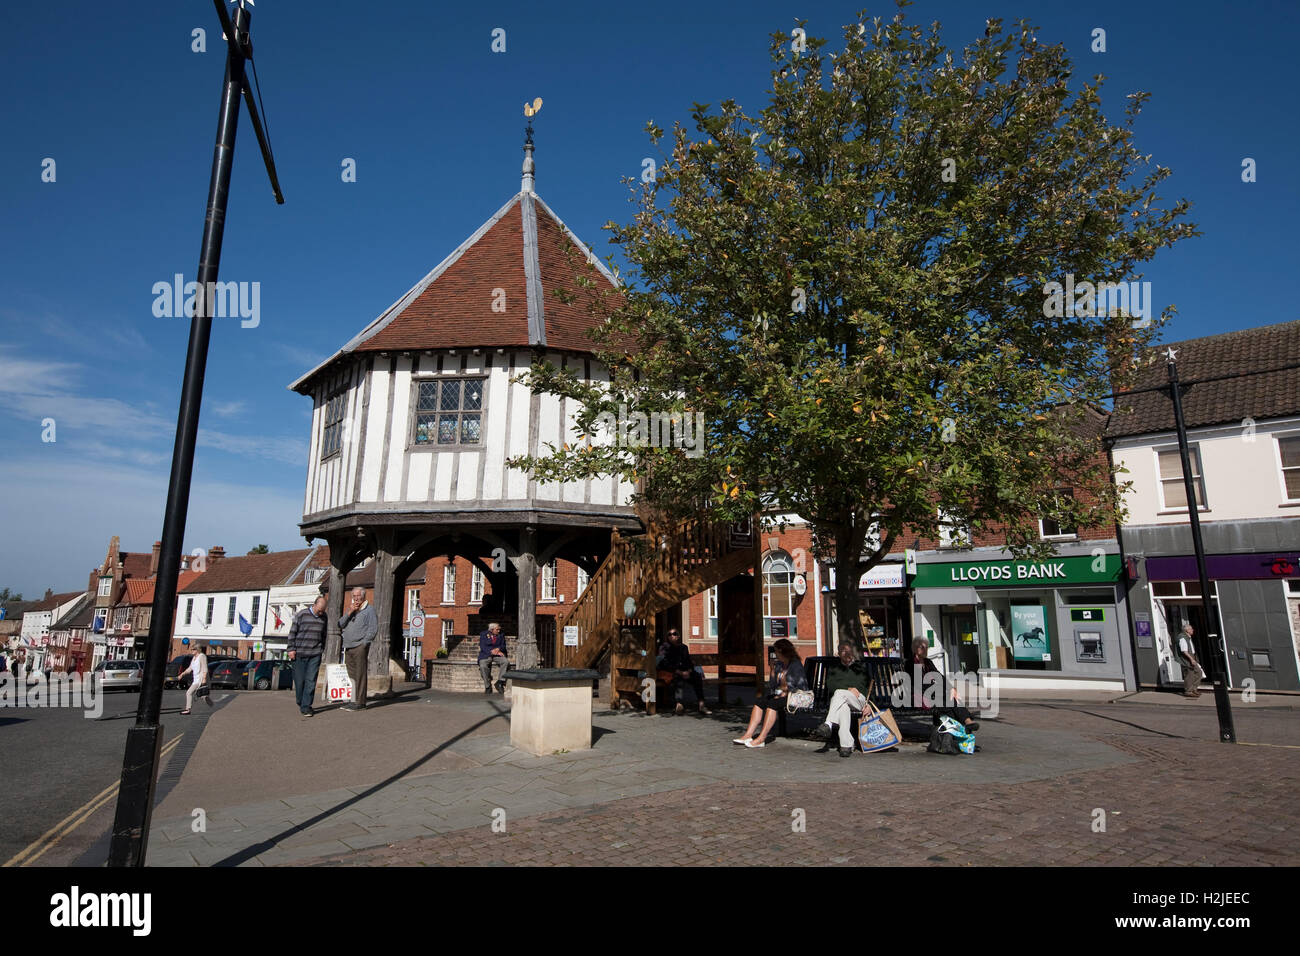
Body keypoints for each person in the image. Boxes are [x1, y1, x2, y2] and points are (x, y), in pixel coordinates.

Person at [733, 638, 806, 749]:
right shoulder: (780, 665)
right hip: (781, 694)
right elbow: (772, 686)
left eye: (776, 651)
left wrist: (785, 691)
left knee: (773, 704)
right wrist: (772, 670)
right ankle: (748, 735)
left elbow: (801, 686)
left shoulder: (795, 665)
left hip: (796, 696)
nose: (775, 654)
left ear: (782, 651)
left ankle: (761, 738)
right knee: (760, 701)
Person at [902, 637, 978, 732]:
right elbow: (917, 684)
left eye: (926, 647)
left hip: (933, 694)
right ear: (915, 649)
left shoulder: (928, 662)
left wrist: (951, 688)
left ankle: (966, 723)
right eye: (922, 647)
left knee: (952, 697)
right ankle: (962, 726)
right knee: (947, 703)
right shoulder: (910, 664)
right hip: (918, 696)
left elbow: (940, 677)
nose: (925, 650)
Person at [812, 641, 874, 757]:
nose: (846, 653)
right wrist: (848, 689)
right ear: (838, 653)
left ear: (852, 652)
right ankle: (847, 745)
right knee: (843, 706)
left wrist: (870, 705)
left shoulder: (860, 667)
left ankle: (828, 723)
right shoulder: (834, 668)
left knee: (839, 693)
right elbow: (830, 685)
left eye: (849, 650)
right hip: (842, 700)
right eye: (843, 651)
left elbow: (870, 688)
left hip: (859, 700)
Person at [287, 595, 327, 716]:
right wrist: (291, 649)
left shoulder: (324, 617)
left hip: (315, 654)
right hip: (299, 653)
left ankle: (306, 706)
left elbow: (324, 635)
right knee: (300, 682)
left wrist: (322, 649)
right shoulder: (302, 615)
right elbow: (292, 632)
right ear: (314, 605)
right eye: (319, 610)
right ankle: (301, 701)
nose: (320, 613)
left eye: (322, 611)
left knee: (311, 681)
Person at [340, 587, 378, 711]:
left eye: (358, 596)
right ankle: (353, 700)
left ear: (363, 596)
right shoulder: (351, 609)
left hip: (359, 646)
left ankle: (360, 703)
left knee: (360, 674)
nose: (356, 598)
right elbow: (340, 624)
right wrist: (349, 612)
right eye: (354, 596)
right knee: (352, 675)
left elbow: (373, 629)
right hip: (348, 646)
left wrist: (364, 643)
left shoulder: (369, 610)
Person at [659, 628, 711, 715]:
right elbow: (665, 663)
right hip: (672, 672)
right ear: (667, 637)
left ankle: (702, 705)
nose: (672, 636)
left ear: (678, 636)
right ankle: (679, 704)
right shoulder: (664, 647)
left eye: (674, 634)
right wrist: (680, 672)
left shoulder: (683, 647)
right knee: (677, 680)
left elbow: (688, 661)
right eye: (670, 634)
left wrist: (689, 671)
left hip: (685, 671)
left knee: (697, 677)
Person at [478, 622, 508, 694]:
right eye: (497, 629)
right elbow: (483, 646)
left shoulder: (501, 635)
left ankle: (500, 682)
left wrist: (498, 649)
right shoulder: (483, 634)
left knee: (505, 662)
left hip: (497, 655)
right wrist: (492, 652)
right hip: (486, 654)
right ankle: (488, 686)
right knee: (482, 666)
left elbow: (503, 646)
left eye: (499, 629)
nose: (499, 631)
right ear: (491, 630)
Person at [181, 644, 211, 715]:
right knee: (204, 697)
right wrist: (182, 674)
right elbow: (190, 668)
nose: (192, 651)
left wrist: (204, 679)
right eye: (191, 649)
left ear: (197, 650)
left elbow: (205, 668)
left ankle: (187, 709)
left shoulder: (202, 656)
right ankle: (215, 707)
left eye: (193, 649)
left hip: (200, 679)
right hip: (196, 679)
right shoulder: (194, 658)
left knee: (189, 693)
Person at [1177, 622, 1204, 698]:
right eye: (1191, 629)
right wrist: (1191, 659)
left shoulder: (1187, 637)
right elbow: (1184, 651)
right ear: (1186, 630)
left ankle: (1193, 689)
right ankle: (1188, 691)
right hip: (1187, 659)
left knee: (1198, 673)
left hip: (1192, 657)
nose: (1193, 630)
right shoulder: (1182, 638)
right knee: (1189, 675)